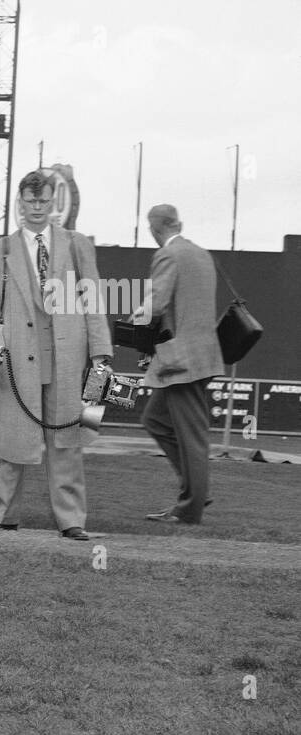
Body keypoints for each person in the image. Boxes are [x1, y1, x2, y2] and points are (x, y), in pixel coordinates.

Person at [0, 171, 113, 540]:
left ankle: (72, 521)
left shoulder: (77, 245)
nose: (36, 209)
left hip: (68, 360)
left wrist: (101, 354)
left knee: (69, 442)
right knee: (14, 441)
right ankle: (4, 515)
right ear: (19, 203)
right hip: (18, 361)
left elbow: (93, 302)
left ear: (53, 203)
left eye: (43, 202)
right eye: (30, 202)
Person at [136, 204, 224, 525]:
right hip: (201, 356)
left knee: (191, 436)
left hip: (180, 362)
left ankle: (190, 508)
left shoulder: (167, 256)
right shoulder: (202, 255)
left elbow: (155, 305)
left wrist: (134, 319)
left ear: (154, 229)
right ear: (178, 224)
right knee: (156, 420)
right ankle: (196, 490)